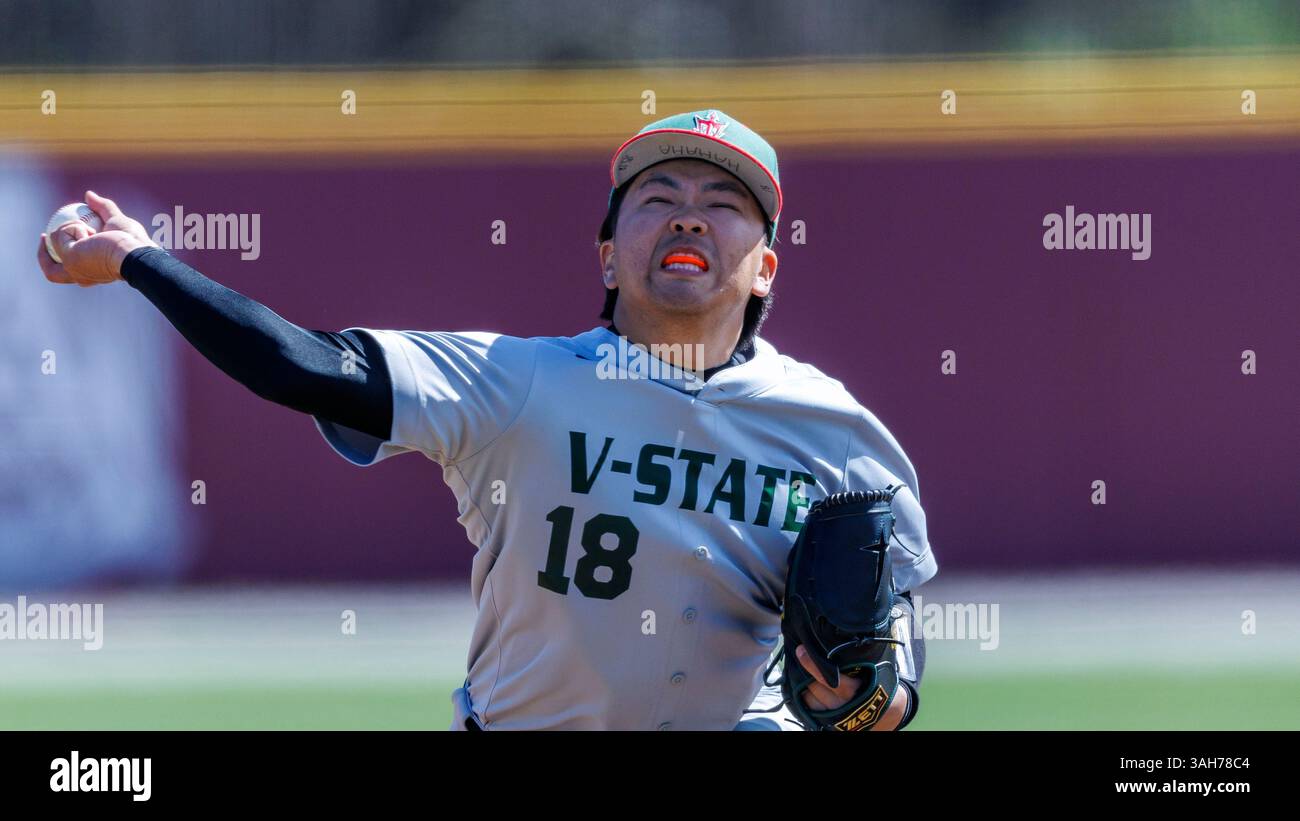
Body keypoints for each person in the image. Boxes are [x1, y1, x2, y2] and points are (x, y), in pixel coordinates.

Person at [38, 109, 938, 731]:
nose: (687, 216)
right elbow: (303, 366)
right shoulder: (517, 383)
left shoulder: (832, 428)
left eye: (723, 204)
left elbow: (893, 608)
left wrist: (892, 687)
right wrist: (142, 262)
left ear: (768, 267)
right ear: (609, 256)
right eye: (657, 197)